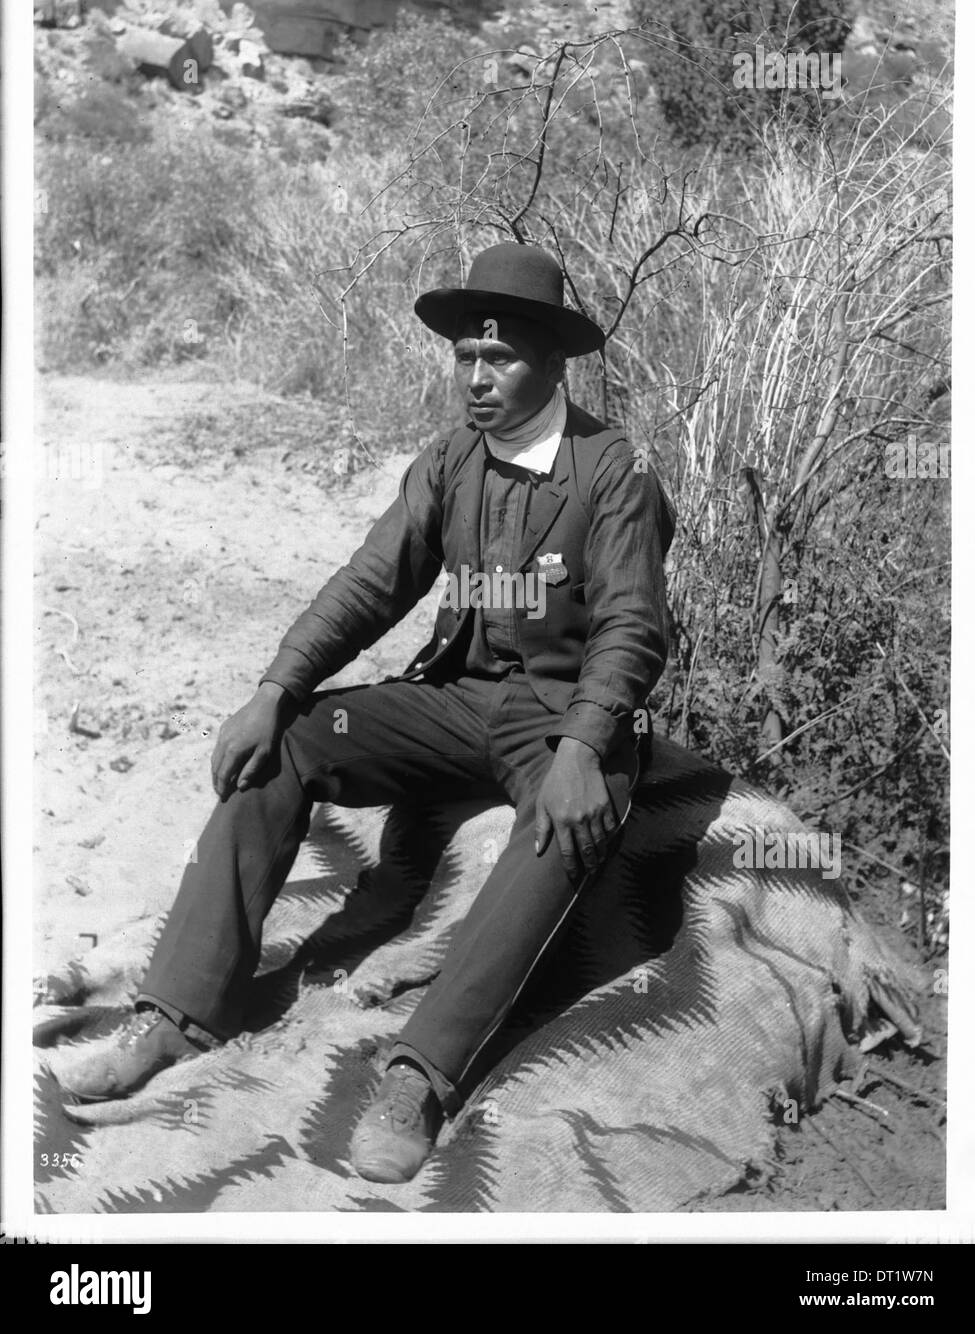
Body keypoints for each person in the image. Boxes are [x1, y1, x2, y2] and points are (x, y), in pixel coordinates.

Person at [56, 243, 676, 1184]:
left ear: (554, 362)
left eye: (498, 359)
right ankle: (179, 1012)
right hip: (459, 702)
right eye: (465, 356)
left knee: (561, 823)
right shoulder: (451, 462)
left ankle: (419, 1075)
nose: (475, 376)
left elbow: (633, 626)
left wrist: (589, 745)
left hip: (559, 716)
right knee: (293, 744)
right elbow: (367, 587)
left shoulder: (610, 470)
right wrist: (276, 690)